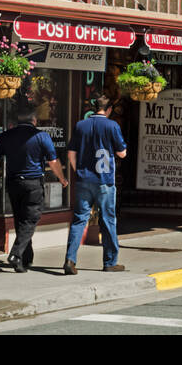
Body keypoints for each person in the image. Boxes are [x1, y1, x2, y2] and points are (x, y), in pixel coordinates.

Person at [0, 107, 67, 272]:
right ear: (34, 120)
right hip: (33, 183)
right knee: (31, 220)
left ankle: (24, 260)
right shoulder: (41, 136)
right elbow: (53, 161)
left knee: (21, 220)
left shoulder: (5, 136)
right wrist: (61, 178)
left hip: (13, 183)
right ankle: (16, 254)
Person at [64, 93, 127, 275]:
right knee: (108, 220)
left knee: (78, 220)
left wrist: (79, 171)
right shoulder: (112, 125)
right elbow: (122, 153)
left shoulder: (81, 125)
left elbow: (71, 153)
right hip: (104, 181)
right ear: (108, 110)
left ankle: (70, 259)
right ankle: (110, 261)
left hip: (84, 180)